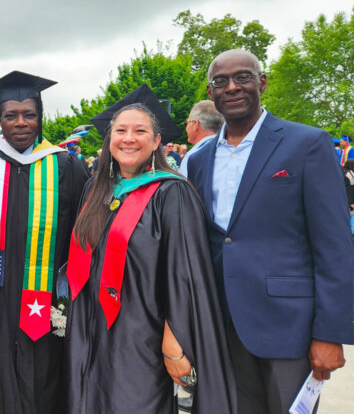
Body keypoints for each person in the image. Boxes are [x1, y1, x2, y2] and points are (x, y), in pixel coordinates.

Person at [186, 49, 354, 414]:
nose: (232, 87)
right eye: (220, 82)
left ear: (261, 82)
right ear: (211, 93)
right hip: (222, 326)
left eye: (242, 77)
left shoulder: (306, 144)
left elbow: (335, 246)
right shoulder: (198, 160)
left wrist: (330, 333)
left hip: (288, 330)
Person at [65, 86, 235, 414]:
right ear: (109, 139)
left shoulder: (172, 195)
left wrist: (174, 343)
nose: (129, 138)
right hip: (88, 330)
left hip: (141, 336)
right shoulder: (94, 189)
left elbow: (185, 277)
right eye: (121, 131)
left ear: (156, 142)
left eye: (140, 131)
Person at [0, 71, 89, 414]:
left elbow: (82, 235)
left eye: (30, 114)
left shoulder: (66, 166)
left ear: (41, 117)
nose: (20, 123)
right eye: (11, 115)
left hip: (49, 297)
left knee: (47, 377)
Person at [179, 100, 223, 177]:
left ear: (195, 124)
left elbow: (184, 188)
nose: (186, 128)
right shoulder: (232, 151)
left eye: (187, 123)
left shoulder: (192, 157)